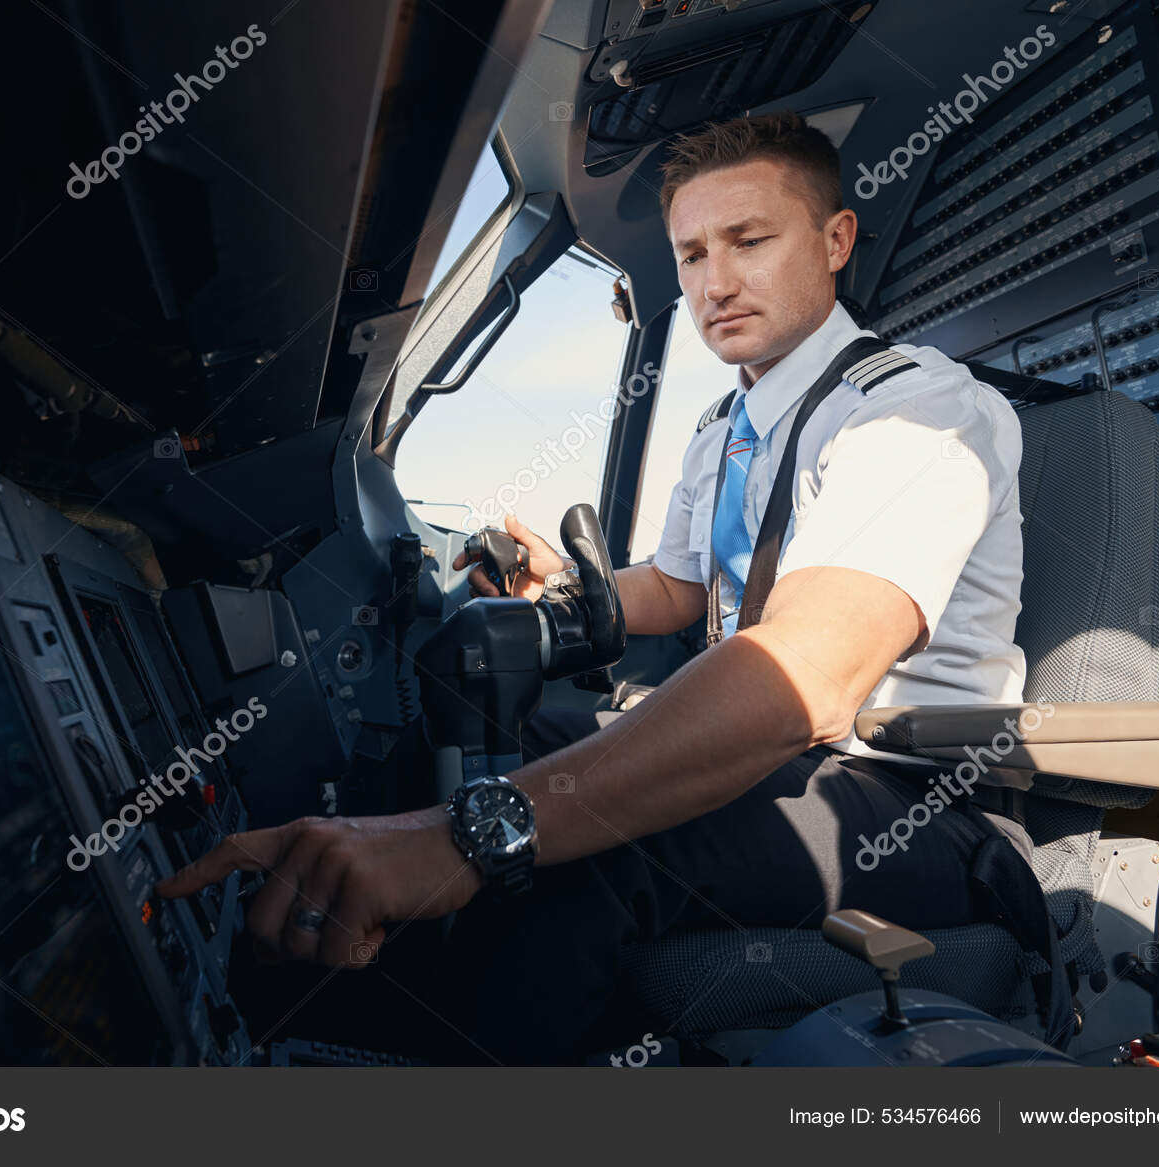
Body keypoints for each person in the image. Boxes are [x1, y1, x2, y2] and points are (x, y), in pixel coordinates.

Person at [158, 112, 1041, 1065]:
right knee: (520, 740)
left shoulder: (916, 409)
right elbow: (677, 584)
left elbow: (807, 677)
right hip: (797, 763)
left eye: (751, 241)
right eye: (692, 252)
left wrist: (467, 838)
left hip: (914, 802)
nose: (717, 281)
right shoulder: (727, 424)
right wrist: (573, 586)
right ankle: (314, 1034)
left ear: (835, 241)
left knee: (581, 848)